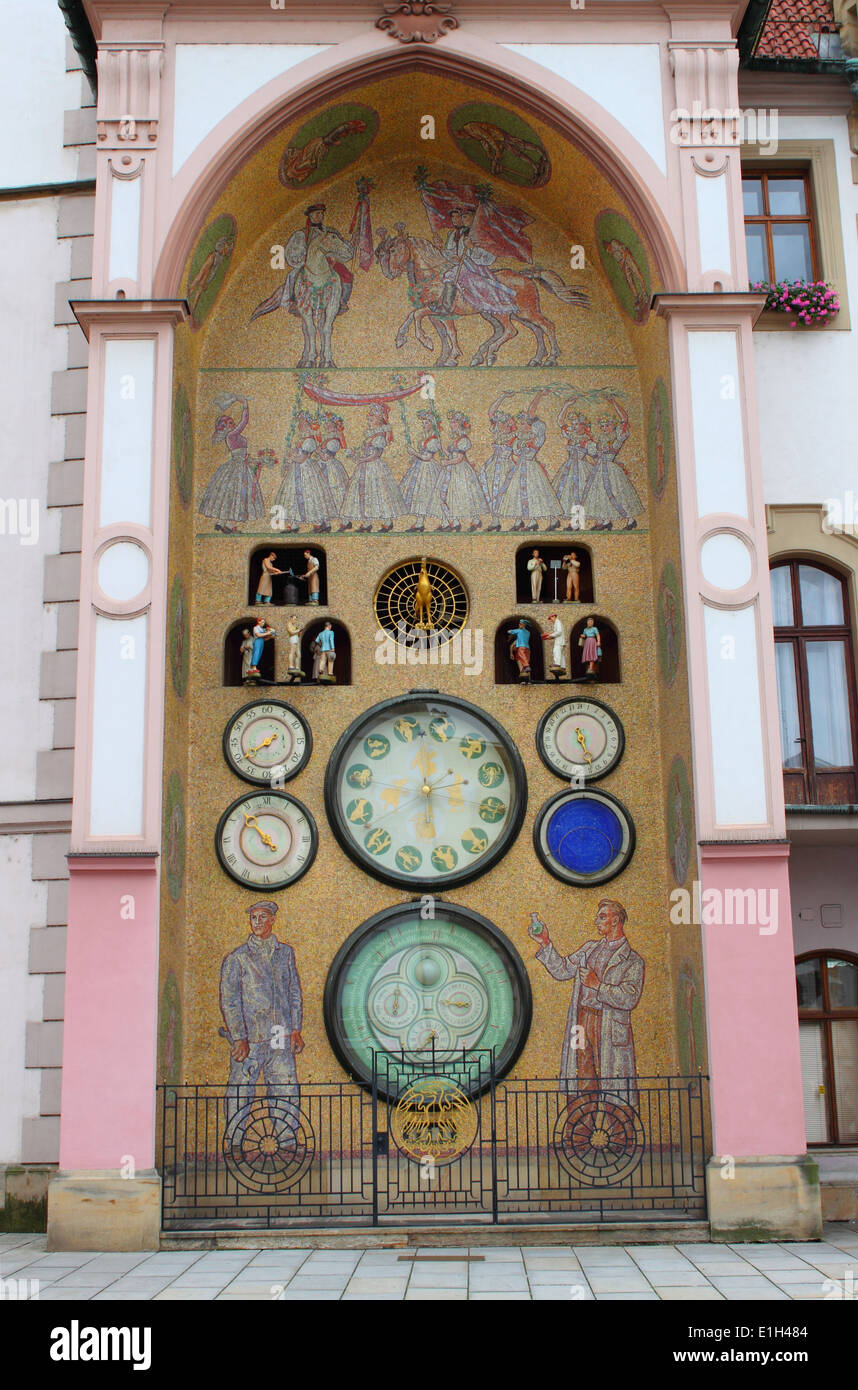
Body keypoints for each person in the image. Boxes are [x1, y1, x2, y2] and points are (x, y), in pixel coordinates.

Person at [531, 899, 644, 1098]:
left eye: (602, 917)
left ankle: (617, 1128)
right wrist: (545, 942)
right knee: (582, 1079)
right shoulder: (590, 948)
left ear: (615, 920)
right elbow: (563, 970)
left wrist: (597, 986)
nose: (596, 921)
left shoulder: (632, 960)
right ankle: (580, 1126)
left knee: (614, 1089)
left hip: (607, 1024)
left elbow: (629, 998)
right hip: (581, 1021)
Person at [219, 901, 304, 1127]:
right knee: (241, 1091)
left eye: (262, 917)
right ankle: (235, 1141)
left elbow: (294, 991)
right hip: (251, 1037)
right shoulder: (237, 958)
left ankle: (287, 1141)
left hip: (279, 1033)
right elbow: (230, 1000)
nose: (257, 922)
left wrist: (295, 1029)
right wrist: (239, 1037)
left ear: (273, 919)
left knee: (284, 1088)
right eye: (253, 917)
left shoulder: (285, 953)